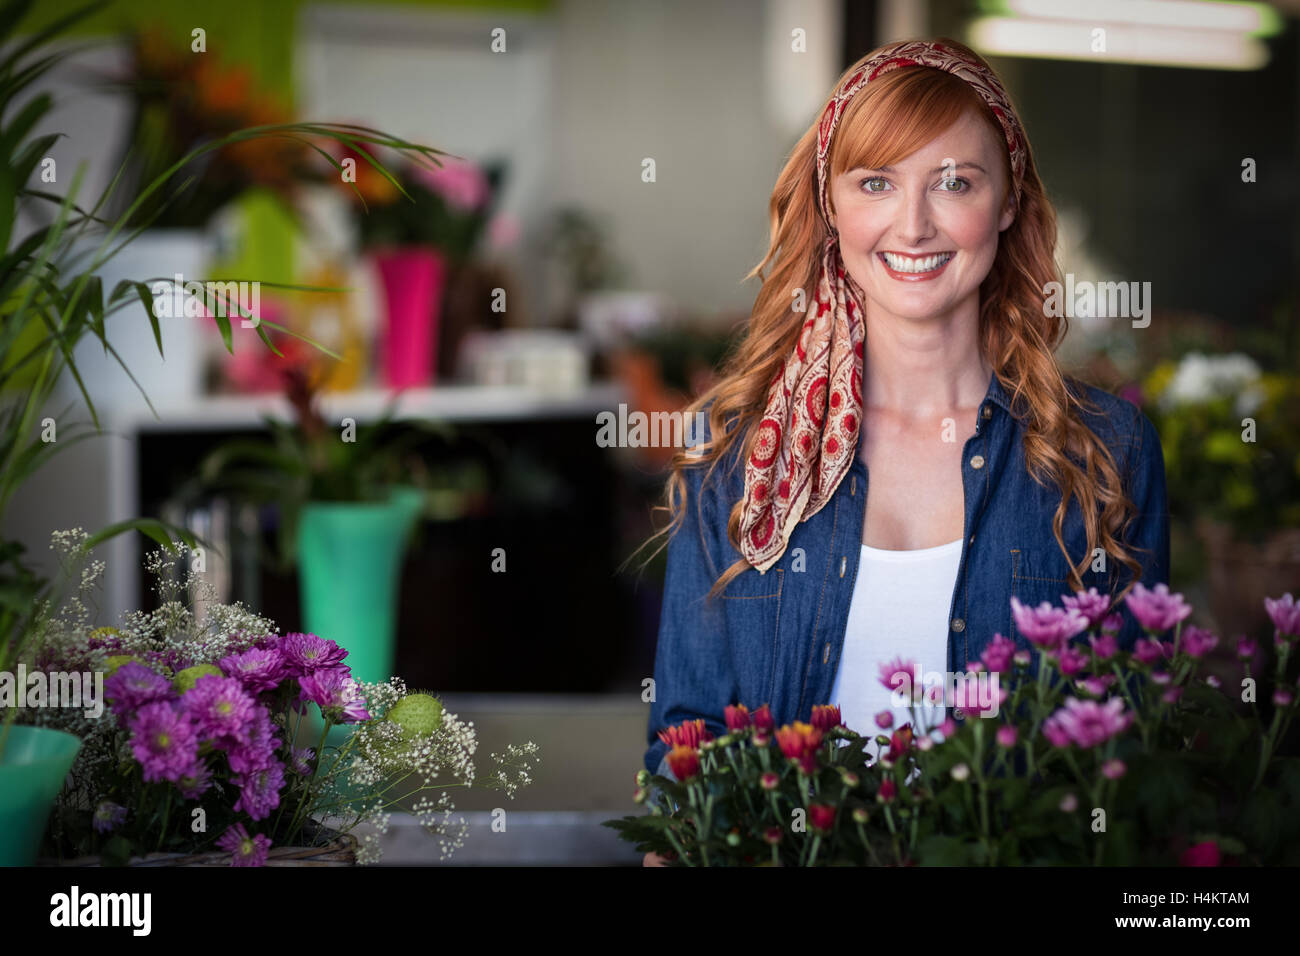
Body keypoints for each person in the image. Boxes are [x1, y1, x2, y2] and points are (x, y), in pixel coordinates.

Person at [639, 38, 1169, 865]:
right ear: (831, 206)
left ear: (1006, 202)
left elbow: (1136, 751)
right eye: (876, 182)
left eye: (955, 181)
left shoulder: (1104, 452)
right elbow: (685, 753)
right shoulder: (738, 461)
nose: (913, 224)